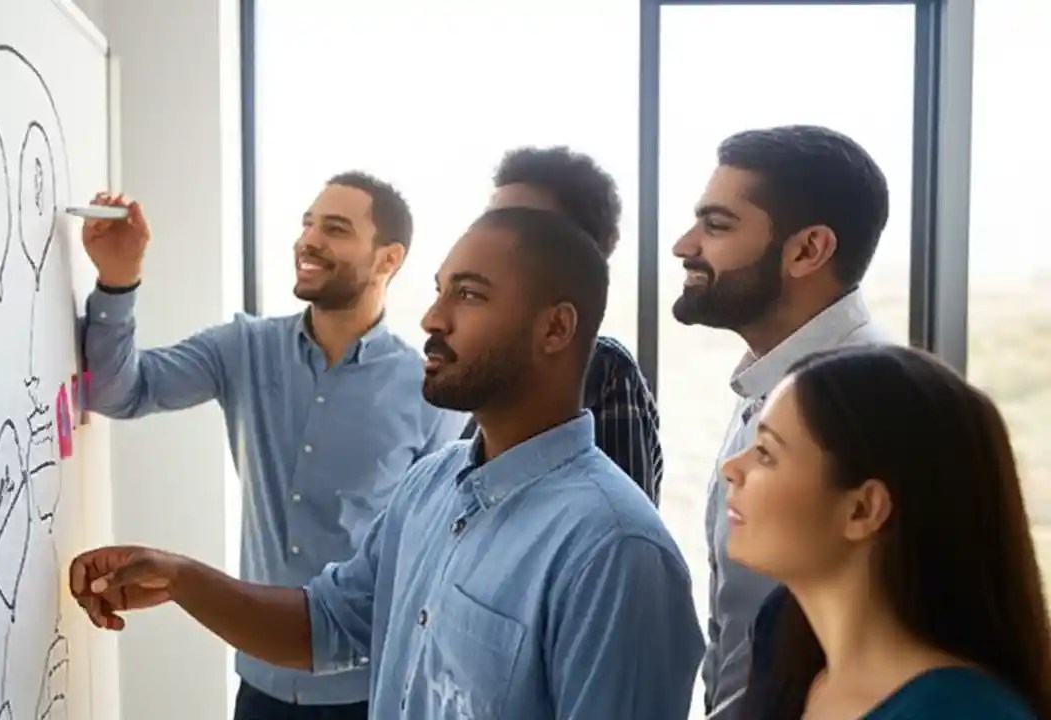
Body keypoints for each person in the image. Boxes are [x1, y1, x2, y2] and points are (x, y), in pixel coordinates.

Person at [69, 207, 705, 719]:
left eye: (470, 295)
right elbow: (329, 624)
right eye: (438, 292)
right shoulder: (432, 486)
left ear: (556, 329)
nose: (433, 318)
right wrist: (178, 577)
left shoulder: (617, 554)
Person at [78, 173, 467, 718]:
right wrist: (118, 281)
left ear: (388, 259)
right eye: (307, 223)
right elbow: (118, 392)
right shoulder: (245, 348)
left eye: (335, 228)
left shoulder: (429, 390)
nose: (308, 240)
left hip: (371, 691)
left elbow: (428, 553)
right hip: (259, 687)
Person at [671, 125, 897, 718]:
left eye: (716, 226)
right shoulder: (768, 381)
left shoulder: (866, 402)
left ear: (807, 250)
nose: (683, 245)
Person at [728, 345, 1051, 719]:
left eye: (766, 453)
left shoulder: (966, 712)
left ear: (863, 509)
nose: (732, 468)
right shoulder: (782, 640)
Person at [462, 146, 663, 506]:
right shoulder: (488, 364)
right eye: (491, 220)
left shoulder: (603, 369)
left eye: (518, 225)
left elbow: (615, 528)